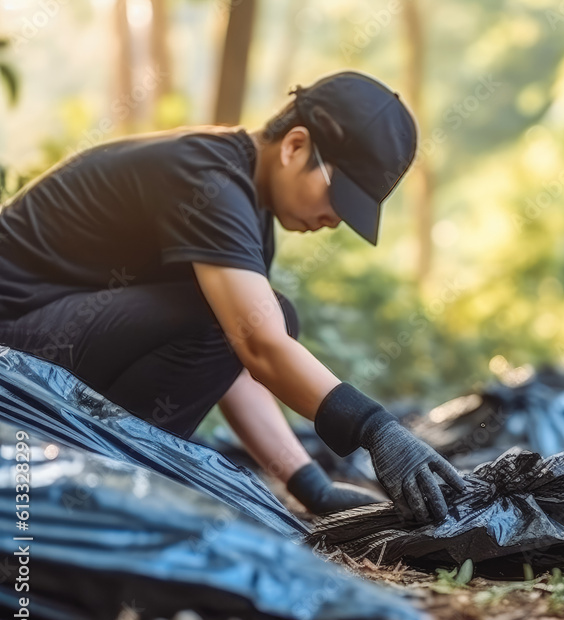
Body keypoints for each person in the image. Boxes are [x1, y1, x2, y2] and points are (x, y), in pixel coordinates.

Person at [0, 70, 465, 523]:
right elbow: (256, 345)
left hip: (39, 348)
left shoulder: (242, 198)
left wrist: (309, 484)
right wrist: (375, 429)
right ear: (296, 145)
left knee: (264, 319)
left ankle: (108, 472)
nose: (335, 219)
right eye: (338, 196)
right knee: (264, 320)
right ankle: (104, 486)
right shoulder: (210, 177)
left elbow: (231, 364)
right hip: (12, 358)